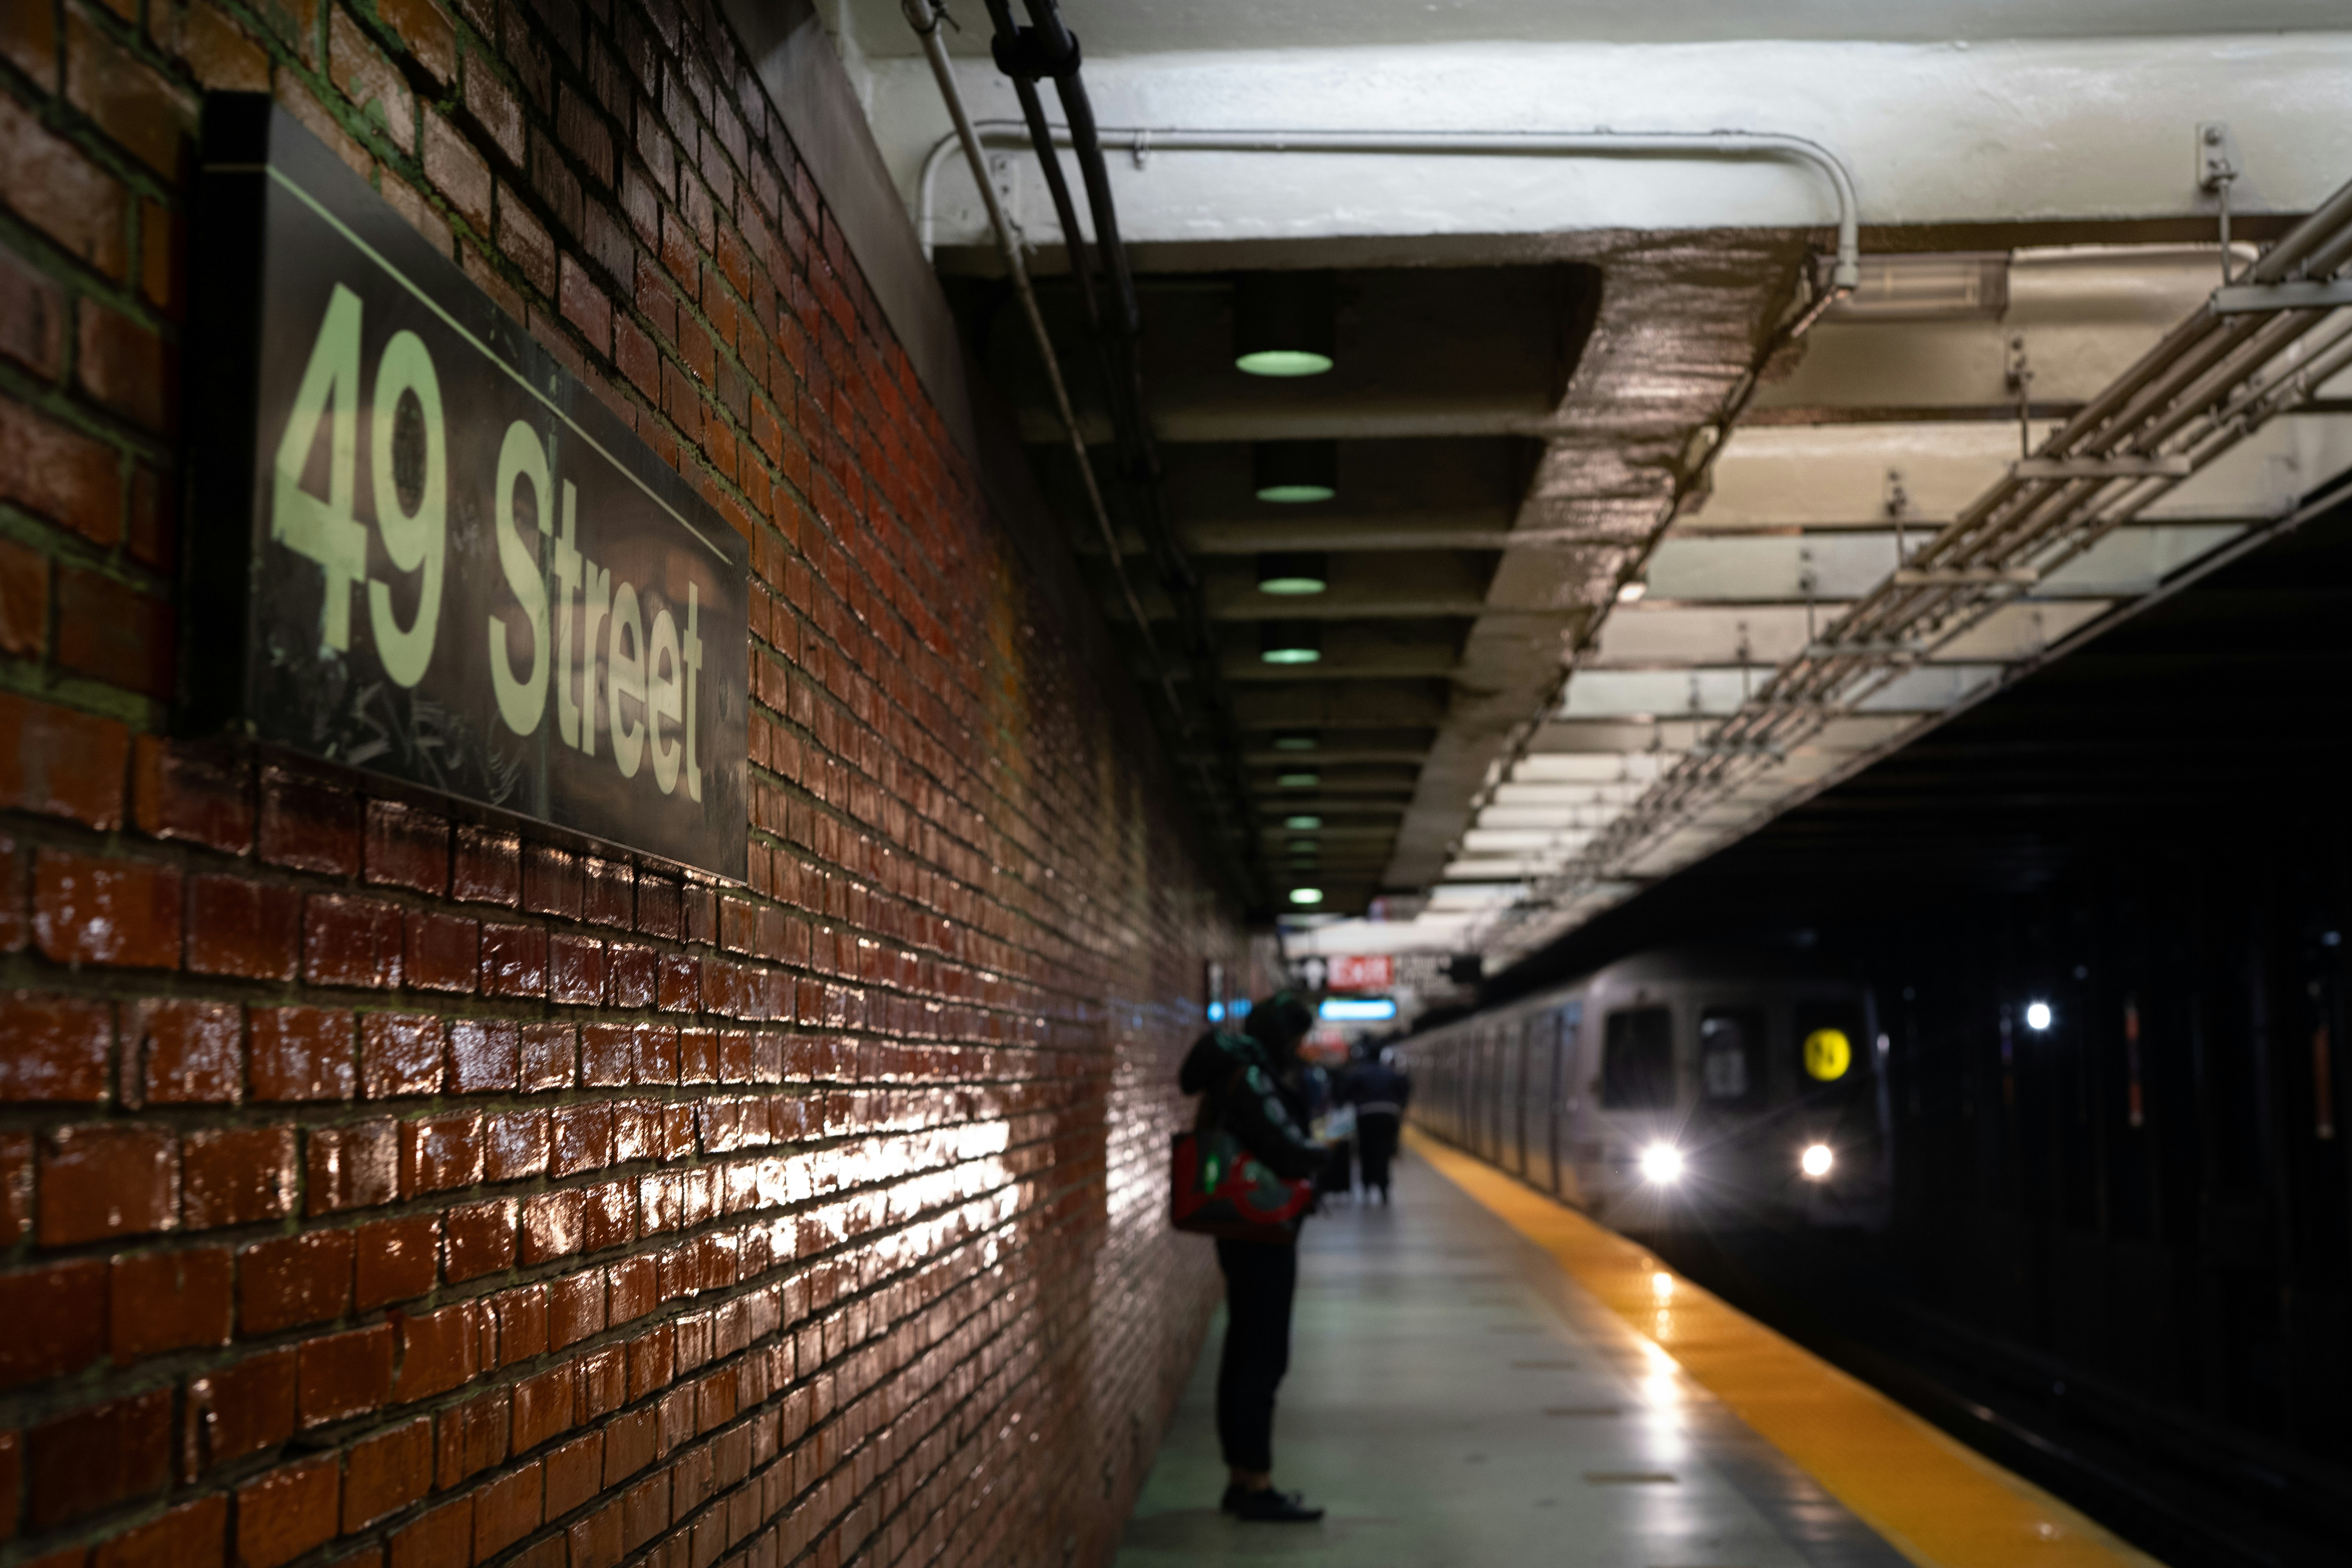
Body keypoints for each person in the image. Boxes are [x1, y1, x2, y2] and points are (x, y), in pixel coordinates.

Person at [1177, 991, 1327, 1522]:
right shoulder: (1255, 1077)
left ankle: (1242, 1477)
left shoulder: (1233, 1071)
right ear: (1284, 1037)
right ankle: (1255, 1484)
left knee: (1244, 1350)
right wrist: (1327, 1153)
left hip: (1239, 1231)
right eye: (1298, 1037)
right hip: (1262, 1233)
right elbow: (1285, 1148)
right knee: (1262, 1357)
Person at [1339, 1045, 1412, 1202]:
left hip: (1366, 1115)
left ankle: (1366, 1186)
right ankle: (1384, 1187)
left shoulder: (1358, 1073)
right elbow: (1405, 1087)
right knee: (1384, 1151)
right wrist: (1401, 1104)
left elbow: (1345, 1091)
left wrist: (1347, 1103)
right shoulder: (1391, 1073)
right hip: (1389, 1114)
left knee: (1366, 1150)